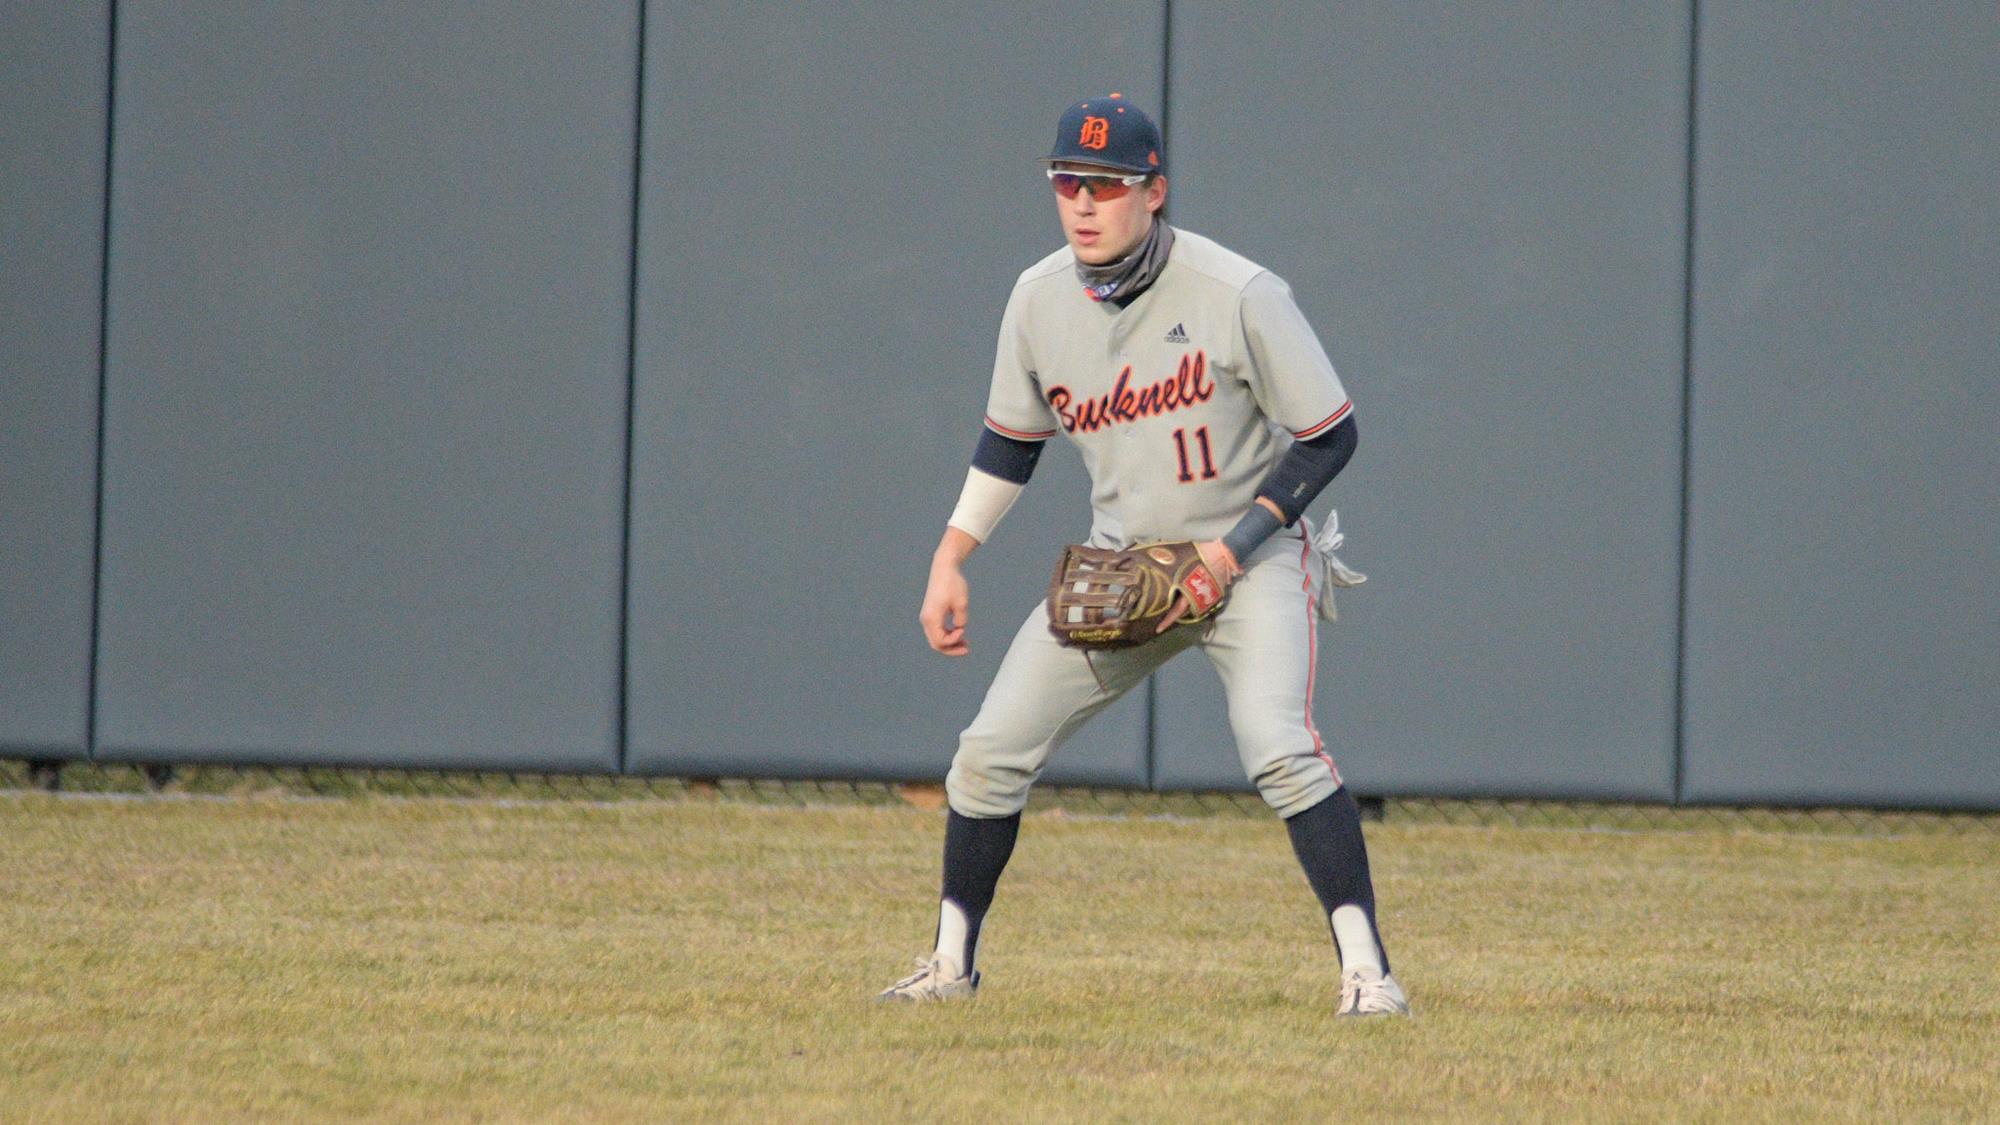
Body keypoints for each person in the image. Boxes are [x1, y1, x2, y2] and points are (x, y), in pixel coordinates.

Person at [880, 94, 1407, 1016]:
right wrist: (950, 554)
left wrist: (1234, 550)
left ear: (1154, 190)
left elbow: (1330, 434)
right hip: (1125, 573)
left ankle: (1369, 973)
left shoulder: (1238, 292)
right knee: (988, 753)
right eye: (1067, 183)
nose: (1084, 203)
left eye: (1107, 184)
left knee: (1279, 747)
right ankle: (950, 966)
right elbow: (1011, 443)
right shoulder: (1038, 298)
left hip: (1252, 558)